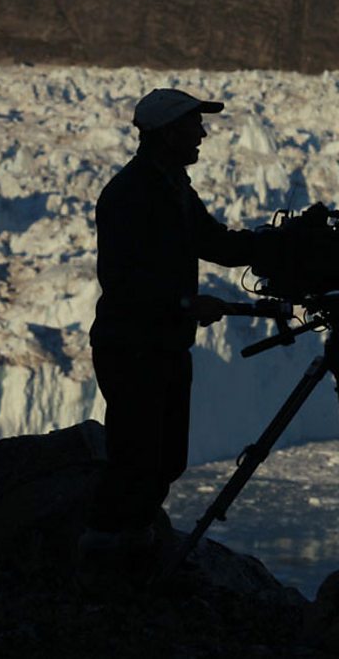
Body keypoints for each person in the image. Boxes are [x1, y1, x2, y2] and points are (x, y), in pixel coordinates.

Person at [80, 88, 255, 562]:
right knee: (135, 458)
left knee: (165, 459)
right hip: (133, 346)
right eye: (193, 125)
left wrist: (274, 248)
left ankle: (131, 544)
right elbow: (121, 281)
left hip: (164, 344)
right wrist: (183, 303)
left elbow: (213, 241)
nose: (201, 134)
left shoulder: (172, 185)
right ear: (165, 133)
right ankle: (104, 553)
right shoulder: (131, 193)